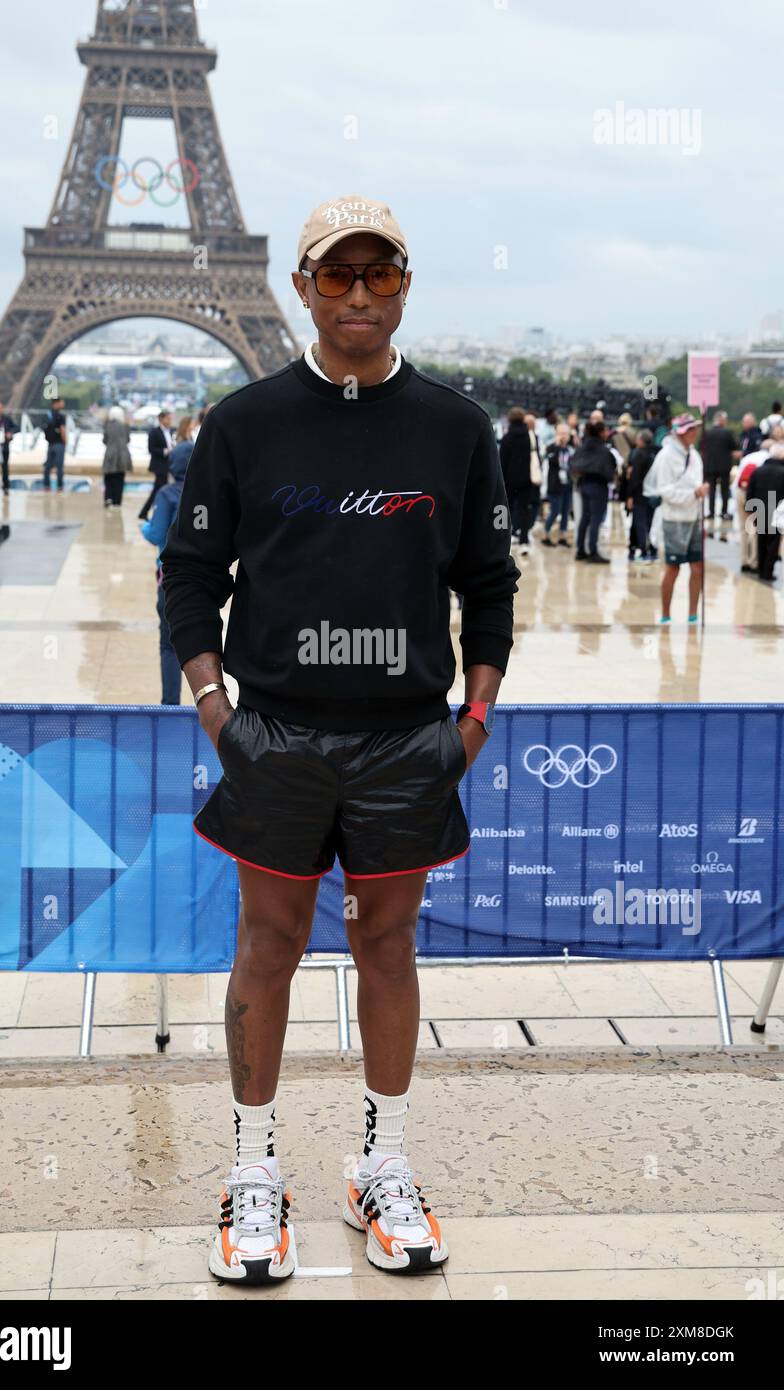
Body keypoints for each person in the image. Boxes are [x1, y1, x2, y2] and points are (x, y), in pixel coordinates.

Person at [160, 193, 521, 1284]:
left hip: (408, 739)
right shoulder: (244, 422)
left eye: (379, 273)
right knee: (266, 947)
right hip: (277, 734)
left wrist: (473, 721)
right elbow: (189, 573)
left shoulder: (455, 427)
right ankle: (254, 1169)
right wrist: (219, 713)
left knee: (387, 947)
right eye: (337, 274)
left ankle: (383, 1161)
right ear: (302, 286)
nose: (358, 293)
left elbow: (490, 582)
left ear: (405, 284)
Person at [141, 422, 195, 703]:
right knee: (202, 643)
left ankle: (171, 705)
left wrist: (142, 527)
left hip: (170, 578)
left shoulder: (166, 494)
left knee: (168, 645)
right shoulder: (207, 493)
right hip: (200, 579)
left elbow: (155, 535)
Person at [647, 413, 708, 623]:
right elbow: (665, 490)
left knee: (697, 566)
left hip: (693, 517)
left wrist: (699, 497)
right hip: (674, 519)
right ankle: (665, 613)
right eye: (690, 429)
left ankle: (693, 612)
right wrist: (692, 494)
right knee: (673, 568)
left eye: (695, 429)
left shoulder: (695, 455)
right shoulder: (666, 457)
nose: (695, 433)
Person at [571, 418, 616, 563]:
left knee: (584, 518)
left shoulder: (582, 448)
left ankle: (580, 550)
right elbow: (610, 471)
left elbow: (572, 464)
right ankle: (593, 551)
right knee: (596, 519)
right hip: (598, 486)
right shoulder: (603, 450)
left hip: (583, 485)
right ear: (602, 432)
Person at [746, 441, 784, 582]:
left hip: (760, 509)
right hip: (777, 512)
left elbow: (750, 491)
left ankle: (761, 569)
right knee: (773, 544)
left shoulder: (758, 470)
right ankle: (768, 572)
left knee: (761, 541)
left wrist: (750, 510)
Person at [500, 406, 535, 555]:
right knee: (524, 510)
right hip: (526, 480)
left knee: (503, 509)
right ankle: (524, 540)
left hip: (508, 480)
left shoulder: (507, 438)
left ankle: (502, 539)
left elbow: (502, 461)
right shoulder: (530, 437)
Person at [701, 410, 739, 524]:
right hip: (724, 466)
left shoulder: (707, 432)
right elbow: (734, 447)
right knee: (724, 490)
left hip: (710, 465)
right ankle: (724, 511)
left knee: (711, 490)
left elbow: (702, 447)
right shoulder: (728, 433)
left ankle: (711, 512)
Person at [625, 427, 656, 561]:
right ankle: (650, 549)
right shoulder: (655, 454)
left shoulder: (638, 454)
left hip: (639, 493)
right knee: (648, 522)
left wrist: (629, 495)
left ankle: (643, 550)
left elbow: (635, 477)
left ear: (641, 441)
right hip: (652, 493)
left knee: (639, 522)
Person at [540, 422, 574, 546]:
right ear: (556, 434)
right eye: (561, 433)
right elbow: (551, 461)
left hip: (567, 485)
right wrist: (558, 446)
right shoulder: (551, 448)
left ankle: (562, 536)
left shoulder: (570, 450)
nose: (563, 436)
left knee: (565, 512)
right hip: (555, 485)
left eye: (566, 433)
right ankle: (546, 534)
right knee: (555, 511)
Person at [138, 409, 174, 521]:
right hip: (159, 465)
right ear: (161, 419)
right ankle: (151, 513)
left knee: (158, 490)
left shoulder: (170, 431)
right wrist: (165, 451)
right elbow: (151, 449)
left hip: (168, 465)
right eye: (167, 418)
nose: (169, 421)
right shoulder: (154, 432)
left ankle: (146, 512)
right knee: (159, 490)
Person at [101, 405, 131, 506]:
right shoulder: (125, 425)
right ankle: (117, 500)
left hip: (110, 453)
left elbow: (105, 440)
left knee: (108, 477)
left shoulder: (108, 425)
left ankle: (108, 498)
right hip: (123, 454)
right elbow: (128, 439)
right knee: (120, 478)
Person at [0, 402, 17, 495]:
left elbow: (15, 427)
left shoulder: (7, 419)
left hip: (4, 446)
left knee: (5, 467)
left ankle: (6, 486)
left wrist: (10, 433)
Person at [43, 398, 67, 490]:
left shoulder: (48, 415)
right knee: (59, 467)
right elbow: (62, 430)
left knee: (48, 466)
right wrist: (65, 441)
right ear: (56, 403)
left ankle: (46, 485)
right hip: (59, 444)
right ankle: (60, 486)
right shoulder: (60, 416)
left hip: (50, 443)